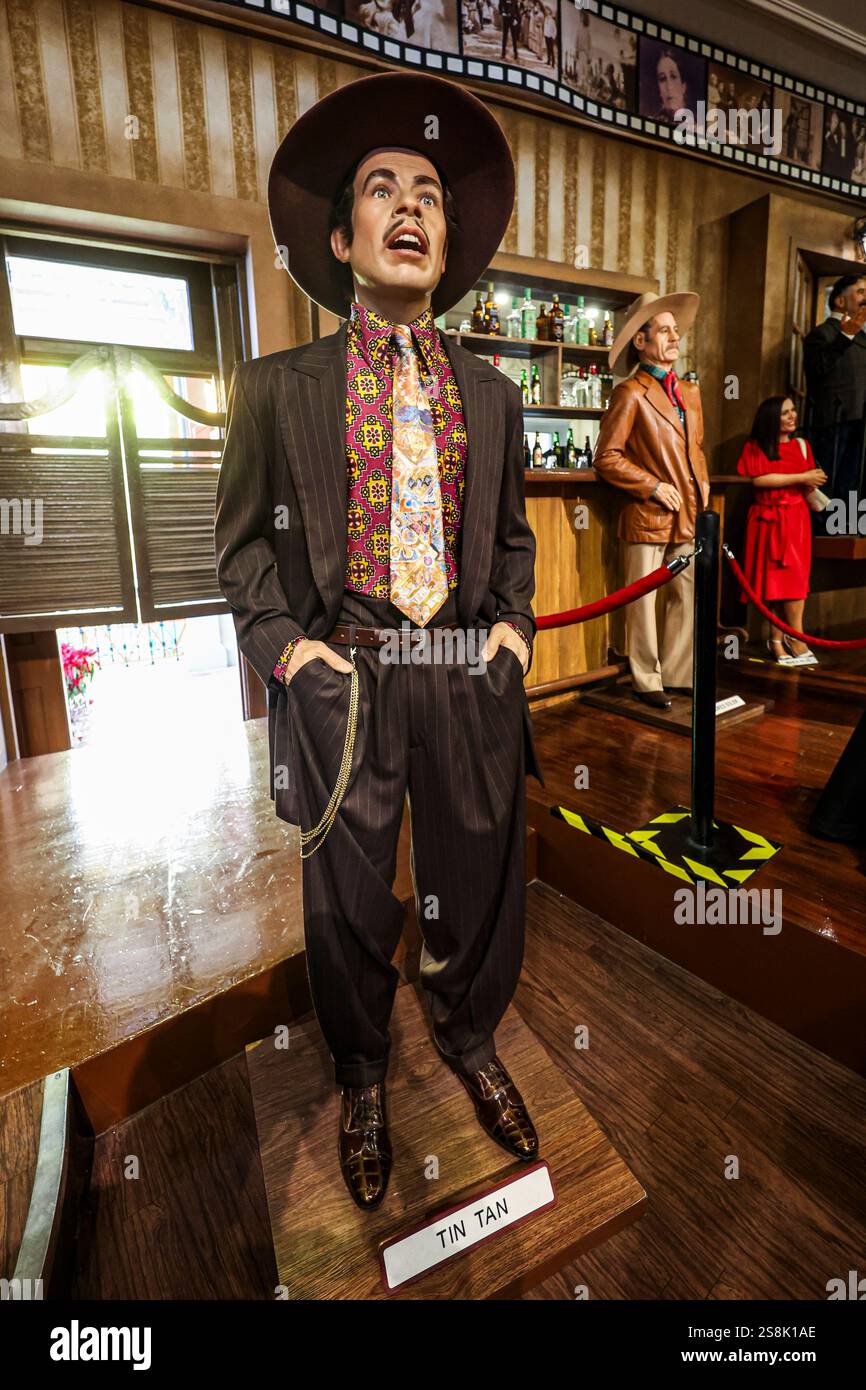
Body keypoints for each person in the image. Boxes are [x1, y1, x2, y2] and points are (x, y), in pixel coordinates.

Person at [215, 71, 544, 1212]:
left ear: (446, 241)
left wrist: (509, 630)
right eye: (380, 189)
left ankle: (465, 1031)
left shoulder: (493, 397)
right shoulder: (272, 390)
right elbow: (243, 552)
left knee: (477, 874)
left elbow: (509, 540)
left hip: (461, 668)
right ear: (345, 236)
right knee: (347, 897)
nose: (408, 206)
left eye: (429, 195)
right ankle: (362, 1073)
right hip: (342, 671)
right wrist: (288, 656)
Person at [593, 290, 709, 709]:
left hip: (689, 512)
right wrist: (652, 486)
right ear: (640, 342)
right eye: (663, 330)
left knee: (688, 595)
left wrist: (704, 486)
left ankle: (679, 673)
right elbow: (606, 458)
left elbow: (695, 448)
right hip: (647, 513)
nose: (674, 337)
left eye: (676, 331)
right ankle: (646, 678)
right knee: (642, 600)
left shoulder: (690, 393)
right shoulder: (630, 393)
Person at [736, 396, 826, 665]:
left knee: (796, 582)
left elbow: (807, 481)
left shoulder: (801, 446)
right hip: (767, 520)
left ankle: (792, 637)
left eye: (793, 410)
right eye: (785, 412)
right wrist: (803, 477)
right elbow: (758, 479)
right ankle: (777, 641)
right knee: (772, 583)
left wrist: (812, 481)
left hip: (796, 519)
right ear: (770, 417)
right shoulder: (755, 446)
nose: (792, 416)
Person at [803, 274, 866, 504]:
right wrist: (847, 334)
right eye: (860, 292)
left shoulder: (863, 338)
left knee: (852, 485)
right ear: (840, 301)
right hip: (832, 424)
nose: (865, 298)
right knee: (828, 486)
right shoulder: (822, 334)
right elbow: (818, 369)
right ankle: (824, 537)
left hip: (860, 422)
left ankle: (846, 533)